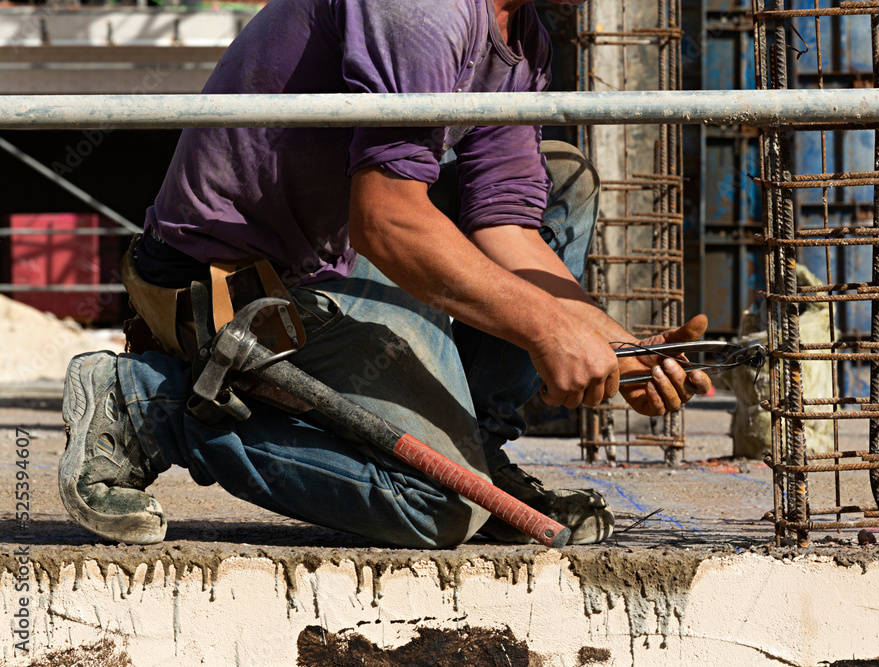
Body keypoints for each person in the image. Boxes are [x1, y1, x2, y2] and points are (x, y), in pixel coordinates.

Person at [57, 0, 712, 549]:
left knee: (560, 182)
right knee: (437, 502)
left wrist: (621, 348)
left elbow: (506, 224)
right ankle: (148, 405)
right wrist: (547, 328)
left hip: (336, 254)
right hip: (230, 281)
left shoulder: (519, 35)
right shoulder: (426, 8)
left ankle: (481, 456)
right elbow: (387, 222)